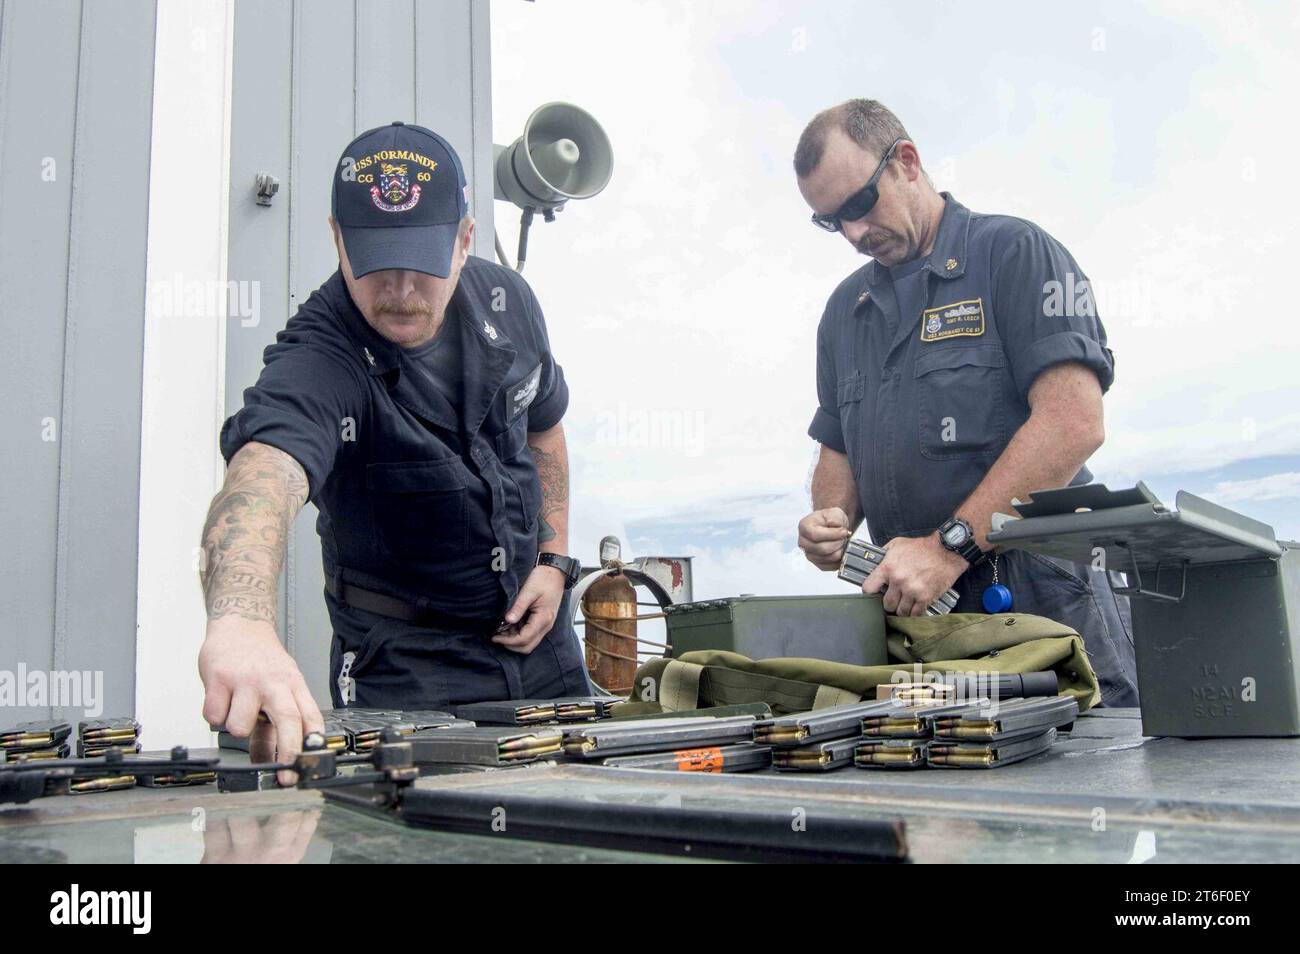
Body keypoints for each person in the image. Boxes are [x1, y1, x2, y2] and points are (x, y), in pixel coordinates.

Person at [199, 121, 590, 773]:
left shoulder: (511, 302)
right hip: (407, 667)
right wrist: (239, 622)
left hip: (543, 641)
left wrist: (554, 559)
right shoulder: (321, 357)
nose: (401, 293)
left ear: (465, 241)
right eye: (377, 265)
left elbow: (545, 424)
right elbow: (263, 474)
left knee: (583, 817)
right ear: (337, 240)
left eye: (422, 264)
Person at [793, 99, 1138, 706]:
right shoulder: (844, 313)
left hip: (1038, 597)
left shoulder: (1017, 253)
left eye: (857, 205)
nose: (851, 233)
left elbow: (1073, 420)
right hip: (912, 611)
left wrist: (949, 548)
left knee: (1085, 772)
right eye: (830, 222)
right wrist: (831, 519)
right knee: (937, 780)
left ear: (906, 162)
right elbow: (837, 445)